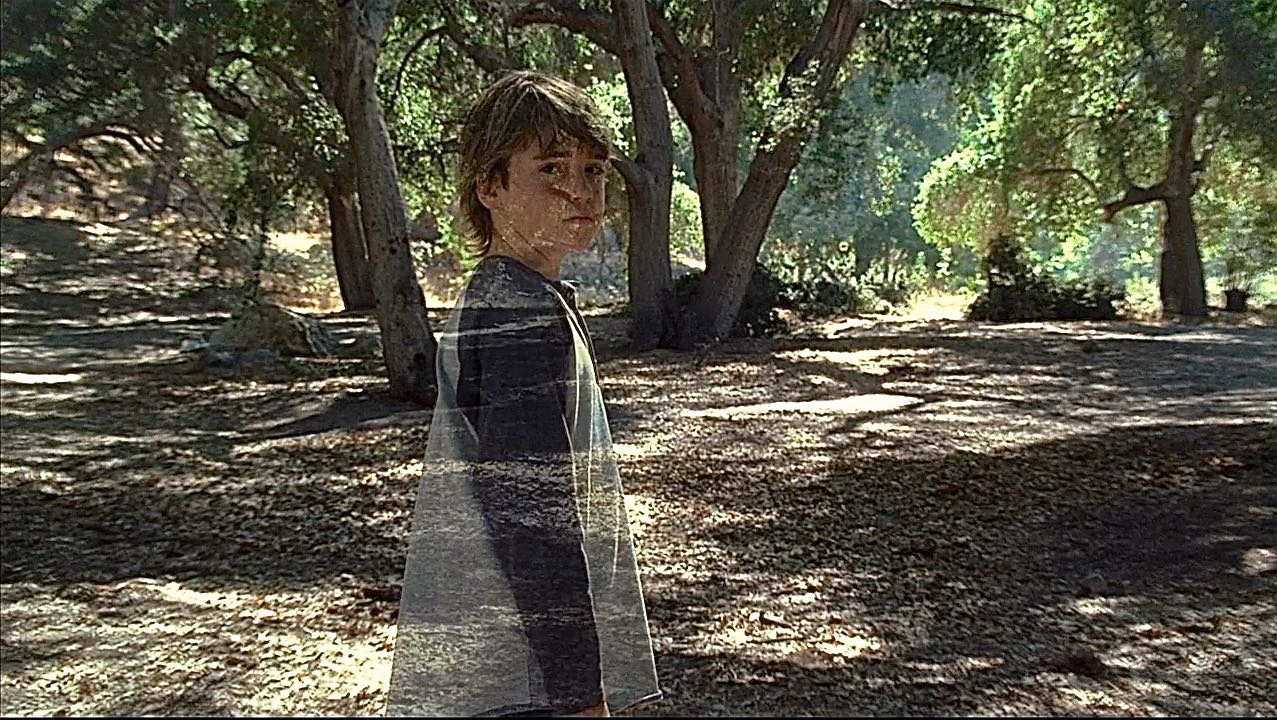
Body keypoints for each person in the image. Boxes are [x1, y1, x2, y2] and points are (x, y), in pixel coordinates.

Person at [386, 71, 662, 718]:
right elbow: (531, 515)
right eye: (550, 169)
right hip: (517, 674)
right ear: (490, 187)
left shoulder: (514, 294)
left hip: (510, 660)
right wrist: (579, 696)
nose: (581, 190)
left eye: (593, 170)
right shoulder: (520, 313)